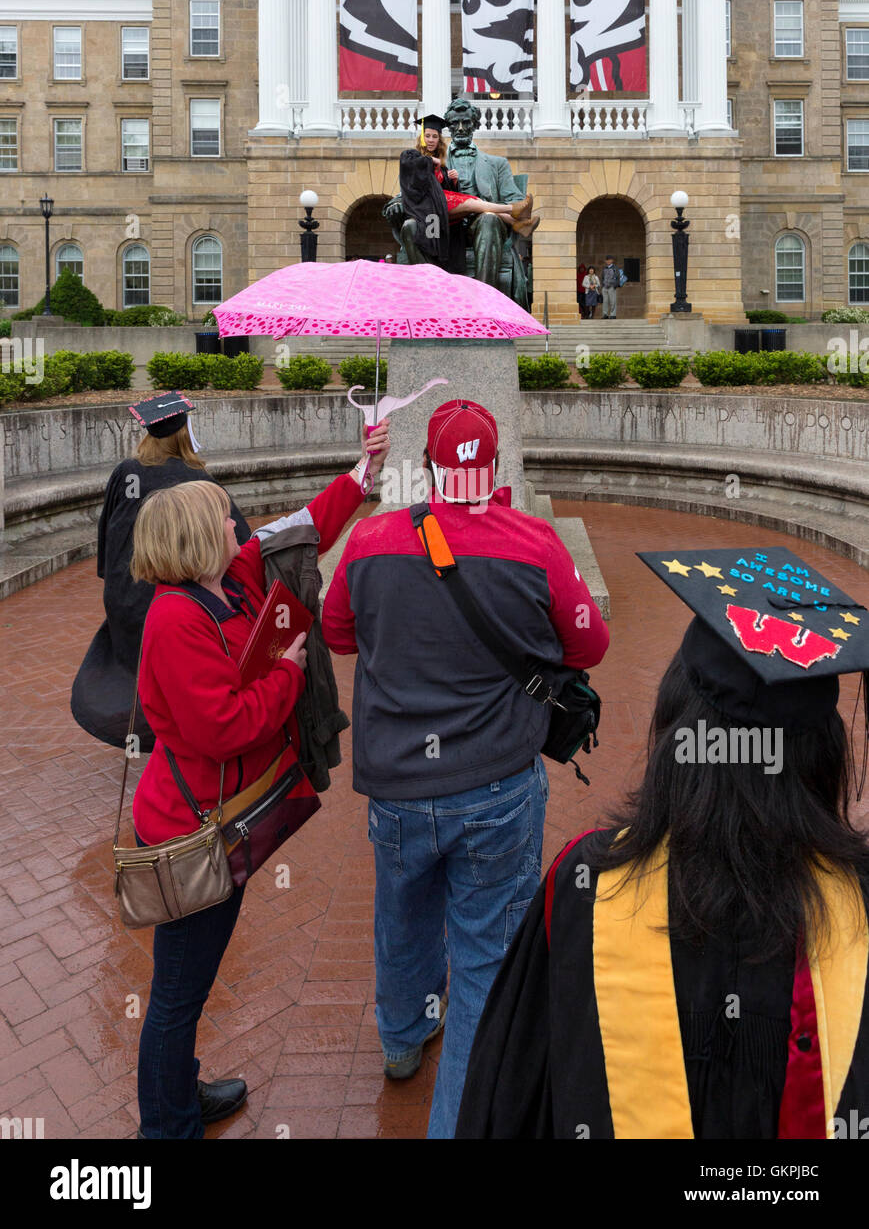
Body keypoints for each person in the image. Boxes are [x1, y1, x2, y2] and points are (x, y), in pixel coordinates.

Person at [456, 543, 869, 1139]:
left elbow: (508, 1107)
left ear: (677, 725)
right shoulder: (859, 911)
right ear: (823, 754)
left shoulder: (581, 892)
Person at [322, 399, 609, 1139]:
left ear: (429, 462)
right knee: (486, 954)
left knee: (401, 912)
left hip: (395, 783)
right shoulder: (534, 541)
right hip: (495, 785)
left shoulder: (372, 538)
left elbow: (335, 632)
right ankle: (458, 1122)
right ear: (493, 460)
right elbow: (590, 647)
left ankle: (400, 1040)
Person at [130, 422, 390, 1139]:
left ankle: (182, 1093)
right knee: (177, 995)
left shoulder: (229, 582)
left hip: (223, 818)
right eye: (222, 516)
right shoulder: (176, 621)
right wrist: (287, 669)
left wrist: (361, 470)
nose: (234, 520)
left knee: (190, 983)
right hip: (192, 835)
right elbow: (225, 728)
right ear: (194, 540)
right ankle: (167, 1126)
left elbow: (301, 531)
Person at [71, 392, 251, 753]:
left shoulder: (127, 472)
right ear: (185, 431)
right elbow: (241, 542)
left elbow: (109, 533)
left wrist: (115, 587)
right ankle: (171, 739)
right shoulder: (198, 481)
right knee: (174, 674)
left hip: (127, 594)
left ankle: (138, 732)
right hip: (170, 598)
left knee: (136, 670)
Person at [416, 115, 539, 239]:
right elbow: (412, 183)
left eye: (435, 136)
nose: (431, 140)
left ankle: (518, 224)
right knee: (473, 203)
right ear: (422, 137)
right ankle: (514, 209)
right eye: (427, 136)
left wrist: (452, 180)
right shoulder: (412, 157)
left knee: (479, 204)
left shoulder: (441, 161)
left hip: (446, 205)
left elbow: (445, 187)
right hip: (431, 205)